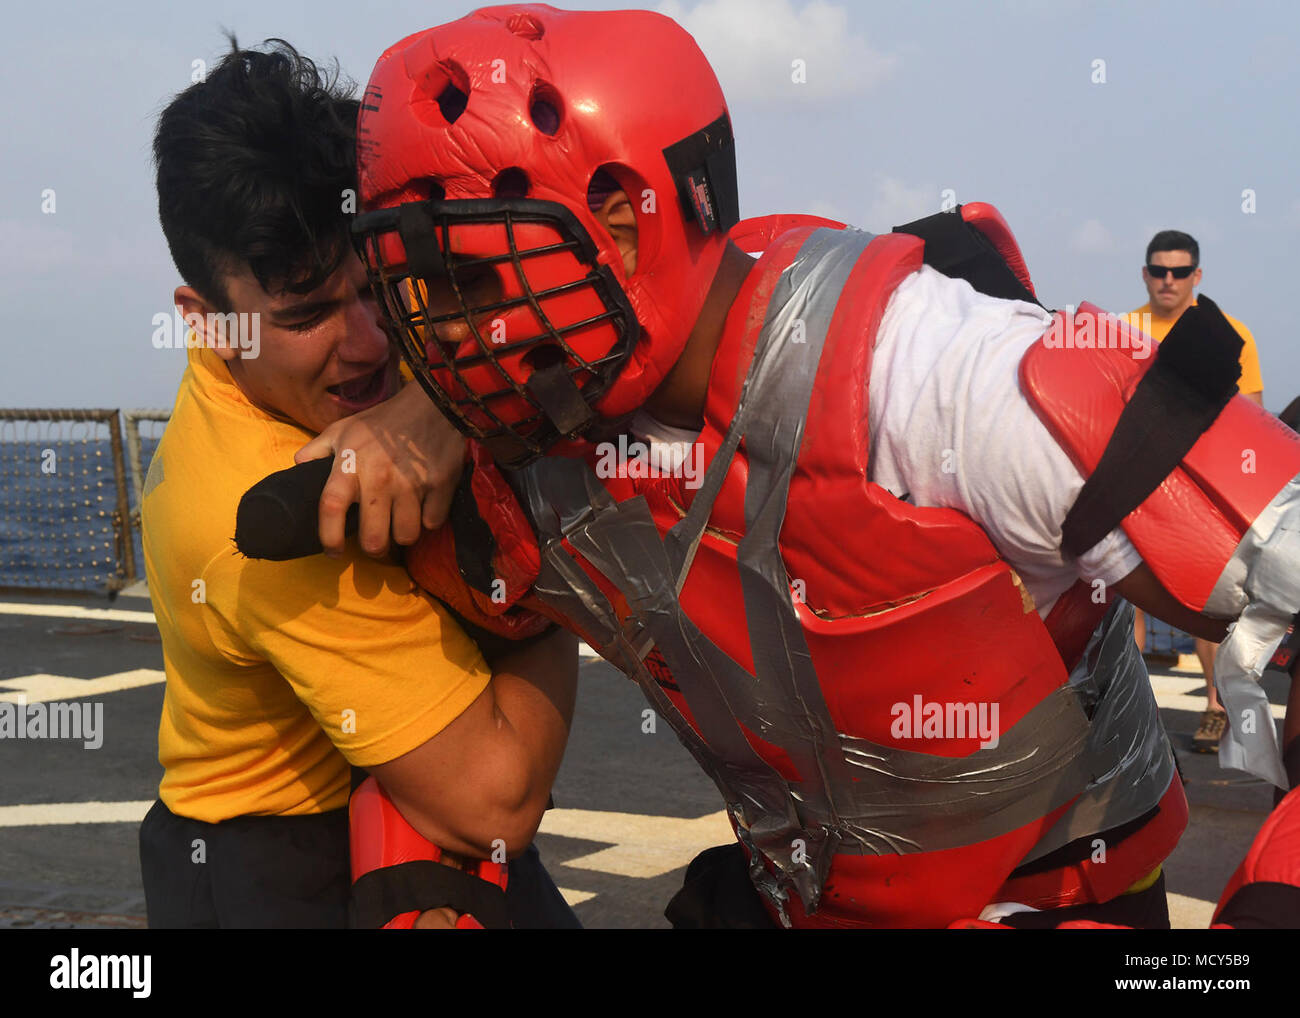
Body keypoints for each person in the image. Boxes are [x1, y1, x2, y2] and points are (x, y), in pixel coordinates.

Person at [276, 5, 1300, 929]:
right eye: (422, 285)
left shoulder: (936, 376)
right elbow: (440, 739)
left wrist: (1275, 885)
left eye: (471, 274)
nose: (446, 332)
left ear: (627, 216)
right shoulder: (529, 462)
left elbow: (1276, 551)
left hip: (1062, 894)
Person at [140, 37, 579, 929]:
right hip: (279, 862)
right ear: (204, 320)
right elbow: (497, 801)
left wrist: (439, 414)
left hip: (374, 789)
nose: (373, 342)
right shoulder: (261, 518)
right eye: (307, 316)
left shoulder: (256, 356)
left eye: (379, 282)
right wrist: (544, 585)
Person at [1126, 230, 1263, 753]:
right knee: (1122, 599)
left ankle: (1214, 706)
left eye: (1179, 272)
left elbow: (1247, 420)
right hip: (1137, 479)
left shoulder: (1230, 333)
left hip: (1199, 486)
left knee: (1204, 600)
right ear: (1145, 273)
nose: (1168, 280)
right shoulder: (1123, 329)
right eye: (1159, 270)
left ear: (1196, 276)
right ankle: (1135, 710)